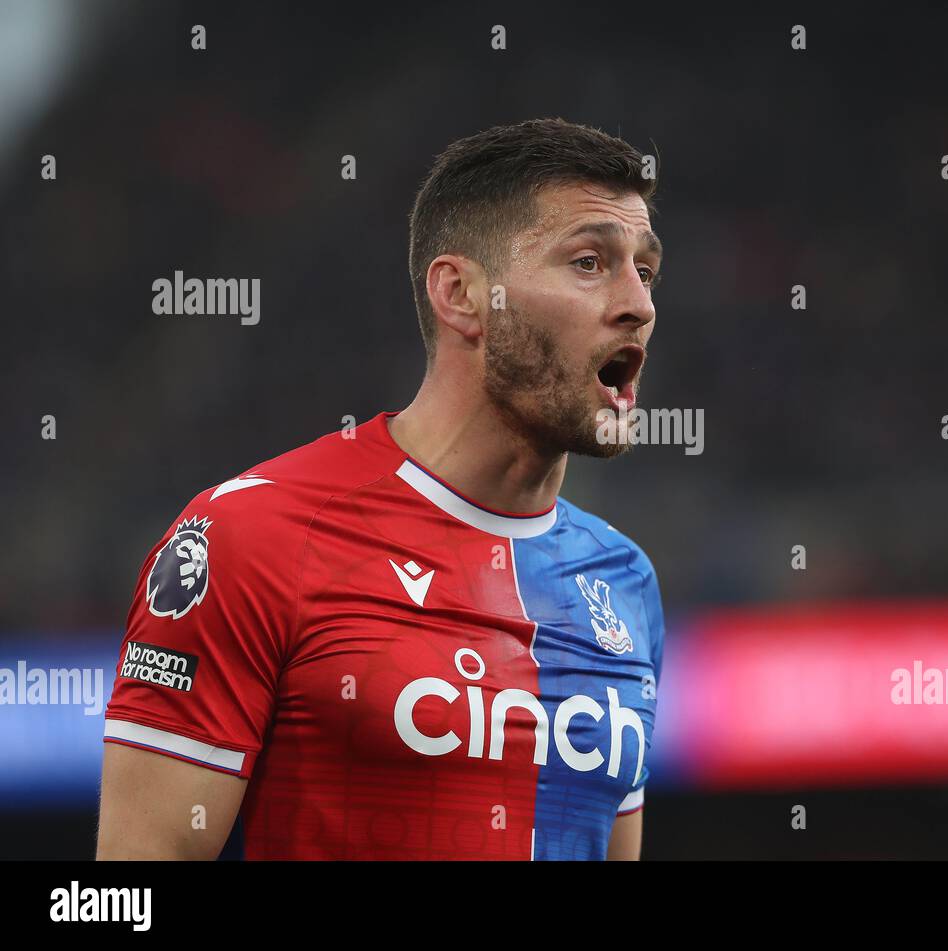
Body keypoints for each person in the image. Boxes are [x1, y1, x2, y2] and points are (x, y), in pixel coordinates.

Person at [96, 117, 666, 860]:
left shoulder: (624, 583)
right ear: (461, 295)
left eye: (645, 271)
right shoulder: (251, 537)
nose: (639, 305)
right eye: (590, 262)